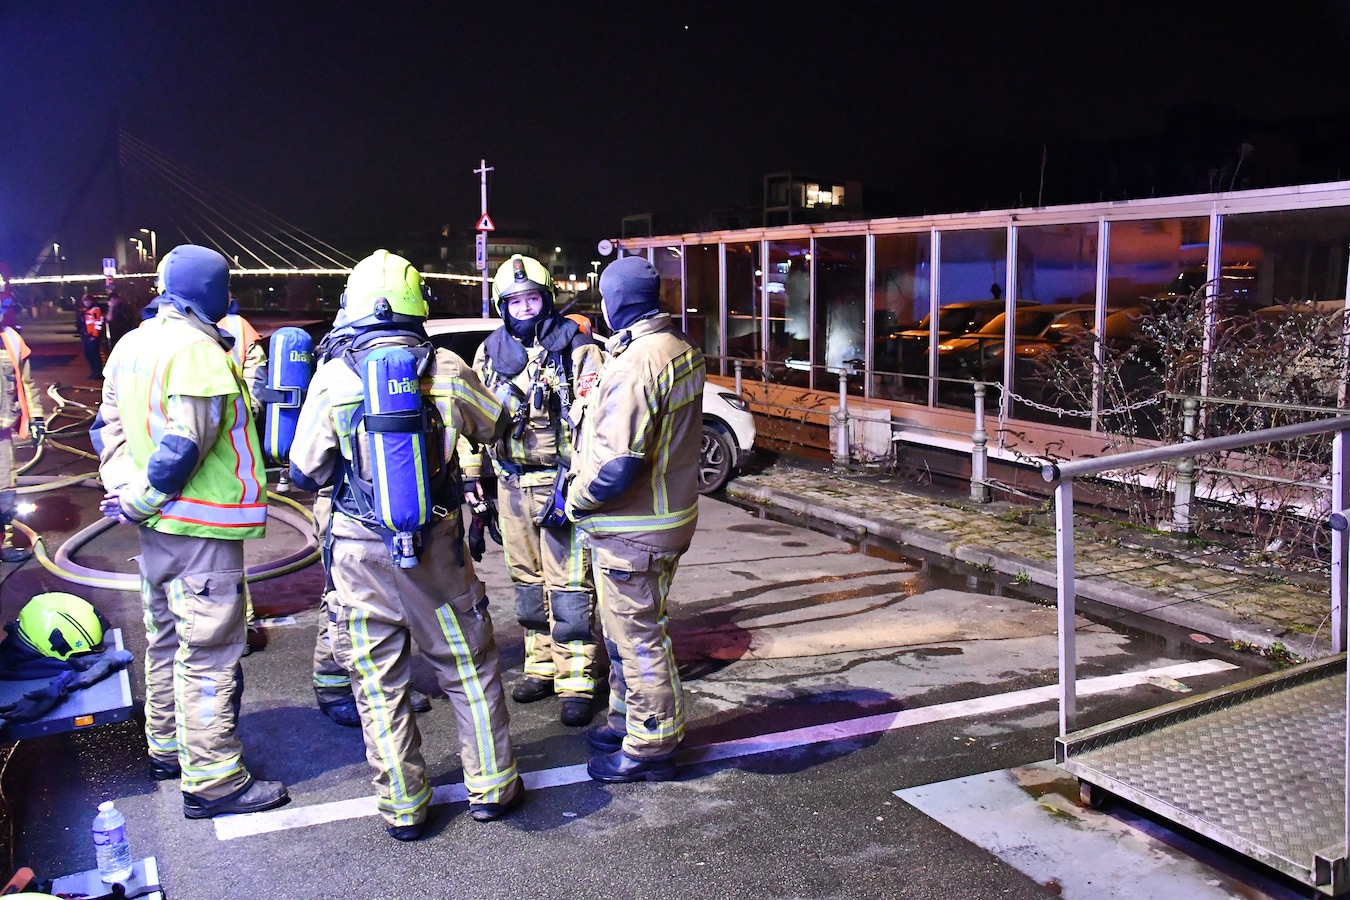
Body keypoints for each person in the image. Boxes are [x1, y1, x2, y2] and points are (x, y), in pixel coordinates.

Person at [289, 250, 522, 840]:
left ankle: (404, 806)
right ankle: (493, 788)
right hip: (436, 549)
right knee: (468, 668)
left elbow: (305, 469)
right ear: (418, 305)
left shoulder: (334, 378)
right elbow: (495, 424)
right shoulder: (446, 367)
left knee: (378, 684)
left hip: (358, 552)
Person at [91, 244, 289, 819]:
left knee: (167, 639)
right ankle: (214, 781)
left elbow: (107, 430)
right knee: (209, 652)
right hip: (199, 526)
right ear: (210, 290)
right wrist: (144, 498)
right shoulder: (197, 351)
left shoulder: (131, 344)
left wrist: (128, 495)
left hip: (156, 529)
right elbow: (185, 443)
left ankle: (168, 748)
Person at [565, 255, 705, 783]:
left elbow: (617, 465)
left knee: (638, 639)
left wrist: (576, 501)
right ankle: (628, 718)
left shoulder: (634, 364)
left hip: (634, 528)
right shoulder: (679, 346)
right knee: (631, 631)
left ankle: (651, 744)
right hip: (666, 515)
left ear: (615, 301)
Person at [461, 254, 606, 727]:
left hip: (560, 484)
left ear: (547, 299)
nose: (524, 307)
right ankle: (541, 666)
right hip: (510, 483)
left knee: (570, 584)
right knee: (526, 582)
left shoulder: (577, 348)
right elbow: (472, 419)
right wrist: (472, 477)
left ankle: (577, 679)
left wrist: (585, 480)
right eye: (515, 300)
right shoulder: (489, 353)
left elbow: (596, 419)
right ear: (503, 307)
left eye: (532, 298)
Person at [303, 306, 432, 727]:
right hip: (347, 508)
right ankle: (334, 685)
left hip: (355, 505)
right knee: (344, 602)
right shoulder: (350, 366)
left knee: (379, 605)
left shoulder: (340, 364)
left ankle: (383, 685)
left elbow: (304, 469)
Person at [0, 316, 44, 563]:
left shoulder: (11, 340)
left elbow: (26, 384)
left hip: (1, 436)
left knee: (4, 493)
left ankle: (3, 543)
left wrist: (36, 418)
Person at [77, 293, 105, 378]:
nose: (86, 302)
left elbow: (98, 323)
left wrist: (95, 336)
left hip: (92, 336)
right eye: (85, 301)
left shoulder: (95, 310)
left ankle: (98, 372)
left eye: (88, 300)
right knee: (88, 354)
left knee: (94, 354)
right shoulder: (85, 310)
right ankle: (93, 371)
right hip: (86, 335)